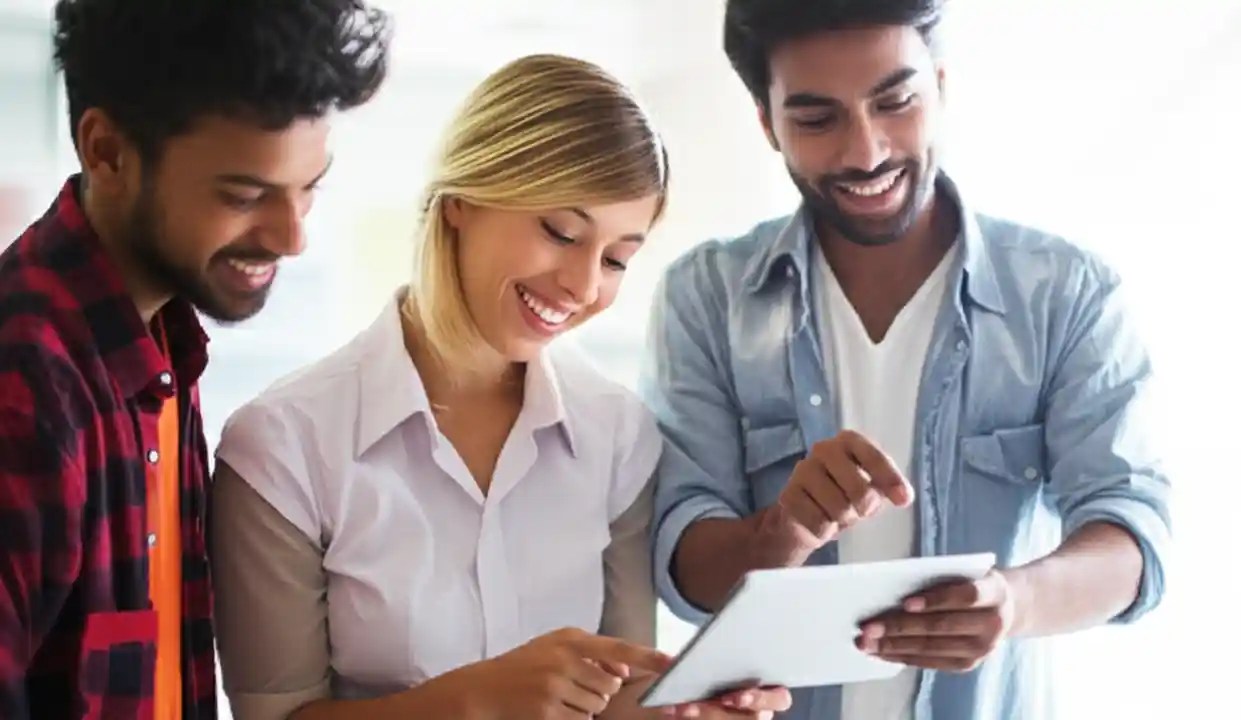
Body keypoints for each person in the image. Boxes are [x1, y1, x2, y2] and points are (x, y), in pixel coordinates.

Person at [208, 53, 791, 720]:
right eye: (561, 232)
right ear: (462, 202)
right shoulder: (283, 446)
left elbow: (618, 695)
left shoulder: (618, 434)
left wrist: (688, 708)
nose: (584, 285)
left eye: (617, 259)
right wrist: (473, 701)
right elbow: (274, 716)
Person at [642, 1, 1173, 719]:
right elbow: (683, 567)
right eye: (817, 120)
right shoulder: (705, 297)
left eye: (895, 102)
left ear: (942, 85)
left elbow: (1132, 534)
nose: (866, 151)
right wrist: (783, 530)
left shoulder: (1065, 293)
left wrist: (1013, 603)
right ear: (767, 125)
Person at [0, 1, 390, 717]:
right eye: (245, 195)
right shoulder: (25, 387)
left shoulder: (162, 343)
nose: (292, 236)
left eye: (310, 187)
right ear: (107, 153)